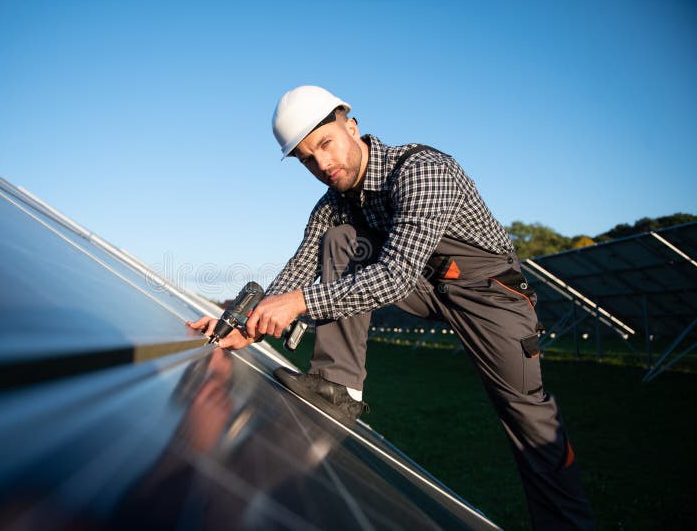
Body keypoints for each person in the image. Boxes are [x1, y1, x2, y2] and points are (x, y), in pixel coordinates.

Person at [188, 85, 594, 529]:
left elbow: (395, 274)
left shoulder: (420, 170)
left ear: (352, 127)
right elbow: (303, 265)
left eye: (325, 144)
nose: (322, 165)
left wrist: (300, 303)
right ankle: (339, 387)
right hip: (426, 285)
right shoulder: (333, 205)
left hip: (489, 293)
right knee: (339, 240)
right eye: (306, 159)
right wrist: (249, 322)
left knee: (527, 416)